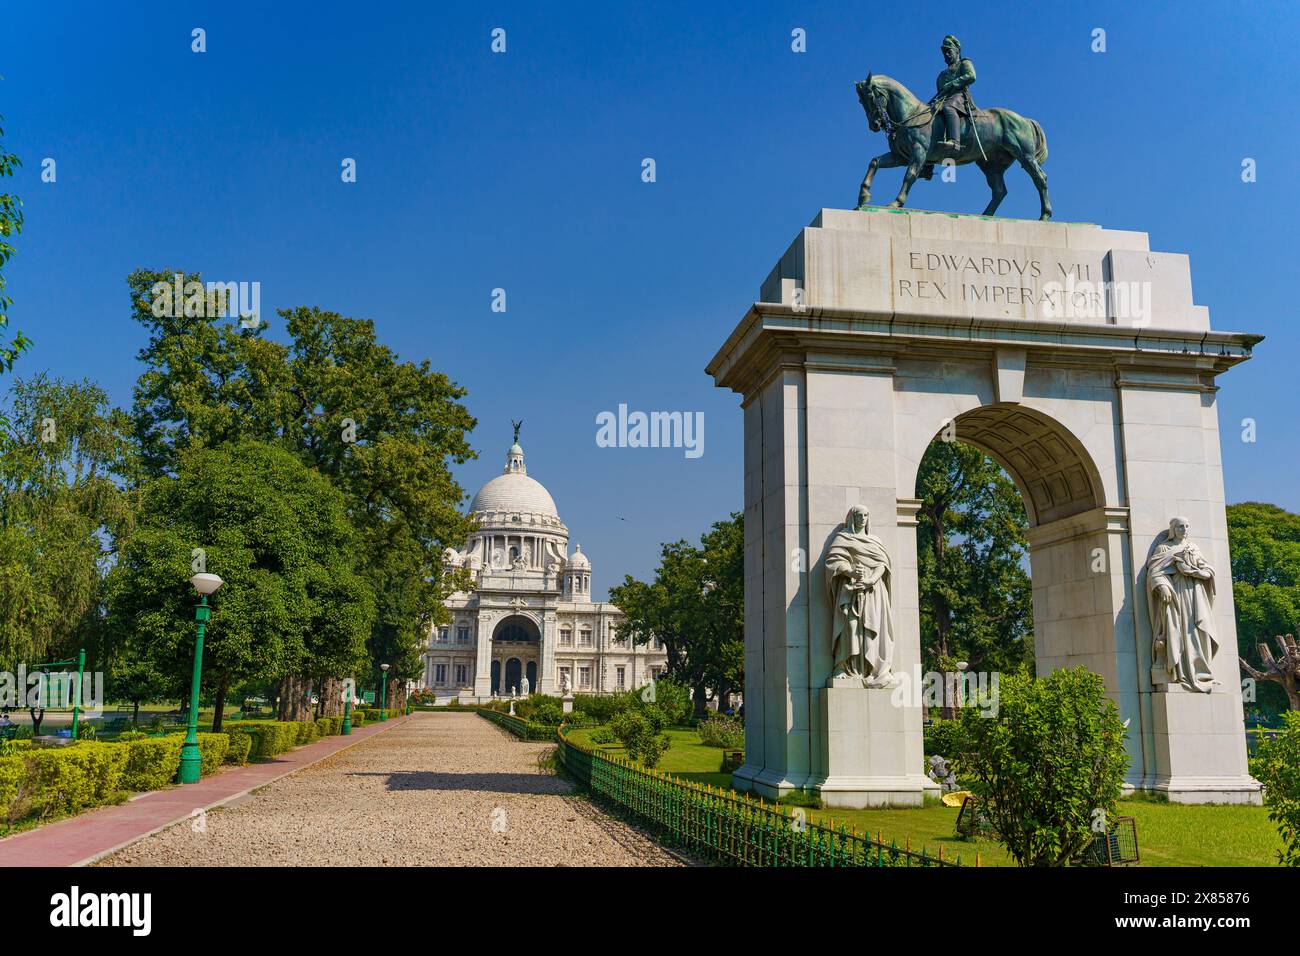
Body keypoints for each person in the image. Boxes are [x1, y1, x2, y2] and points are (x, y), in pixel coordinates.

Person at [929, 35, 976, 151]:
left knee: (948, 107)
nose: (946, 55)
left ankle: (955, 141)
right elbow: (940, 93)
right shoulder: (941, 75)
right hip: (944, 99)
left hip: (960, 96)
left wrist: (953, 83)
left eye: (949, 51)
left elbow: (971, 76)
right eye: (944, 53)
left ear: (957, 51)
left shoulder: (964, 63)